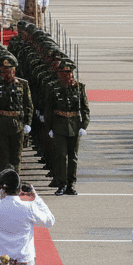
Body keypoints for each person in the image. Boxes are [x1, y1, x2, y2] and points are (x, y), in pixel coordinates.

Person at [46, 61, 89, 196]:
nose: (67, 75)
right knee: (61, 156)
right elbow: (48, 109)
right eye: (64, 73)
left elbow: (85, 109)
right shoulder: (53, 87)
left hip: (74, 125)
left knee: (73, 157)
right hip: (59, 125)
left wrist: (84, 125)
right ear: (59, 74)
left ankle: (71, 184)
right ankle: (62, 184)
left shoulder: (79, 88)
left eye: (69, 72)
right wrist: (49, 127)